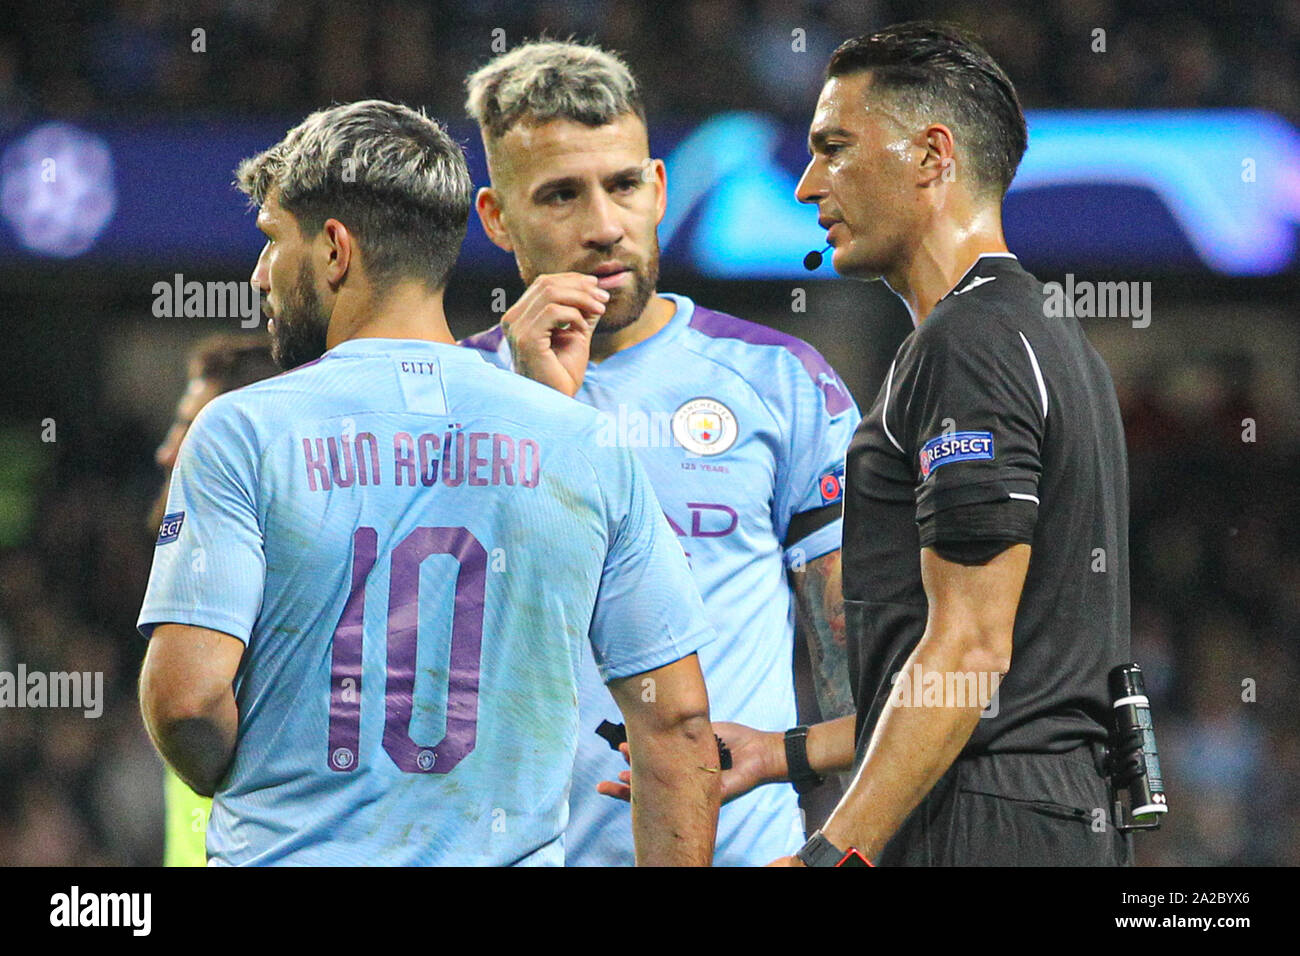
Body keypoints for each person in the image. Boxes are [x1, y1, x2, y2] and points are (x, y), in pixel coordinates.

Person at [136, 99, 721, 866]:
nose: (259, 276)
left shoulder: (245, 430)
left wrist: (243, 780)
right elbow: (676, 726)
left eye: (272, 241)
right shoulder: (582, 440)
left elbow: (185, 703)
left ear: (336, 249)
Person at [690, 22, 1133, 866]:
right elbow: (1002, 679)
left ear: (932, 157)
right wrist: (786, 753)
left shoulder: (965, 346)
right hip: (1046, 815)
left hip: (985, 823)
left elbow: (967, 649)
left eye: (835, 148)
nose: (807, 184)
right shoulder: (1045, 334)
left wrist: (833, 853)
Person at [460, 40, 861, 866]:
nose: (604, 226)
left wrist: (838, 848)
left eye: (623, 185)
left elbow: (870, 679)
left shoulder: (782, 384)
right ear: (498, 217)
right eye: (562, 195)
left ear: (660, 187)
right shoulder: (446, 399)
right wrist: (541, 415)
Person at [147, 333, 279, 867]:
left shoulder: (270, 601)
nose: (167, 452)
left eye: (193, 429)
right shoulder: (201, 595)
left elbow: (188, 706)